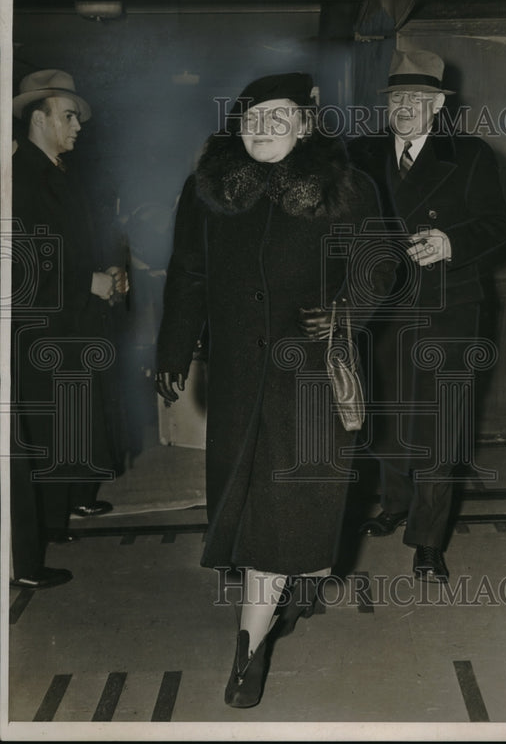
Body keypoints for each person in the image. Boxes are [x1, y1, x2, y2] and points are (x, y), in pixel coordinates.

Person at [155, 72, 394, 707]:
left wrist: (346, 310)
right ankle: (284, 598)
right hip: (239, 376)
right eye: (252, 118)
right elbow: (189, 274)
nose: (263, 129)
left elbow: (379, 264)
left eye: (279, 118)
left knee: (291, 504)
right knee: (262, 505)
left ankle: (251, 651)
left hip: (312, 372)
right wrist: (172, 349)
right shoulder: (209, 192)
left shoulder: (347, 188)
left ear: (306, 125)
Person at [348, 46, 506, 582]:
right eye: (398, 96)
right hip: (381, 307)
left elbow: (501, 225)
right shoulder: (359, 153)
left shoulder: (471, 154)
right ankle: (395, 504)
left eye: (418, 97)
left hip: (450, 306)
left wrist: (451, 241)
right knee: (387, 412)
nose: (406, 106)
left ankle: (428, 538)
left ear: (438, 105)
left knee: (442, 421)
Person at [10, 69, 129, 589]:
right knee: (36, 438)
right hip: (40, 330)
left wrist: (111, 273)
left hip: (71, 324)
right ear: (38, 118)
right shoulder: (20, 179)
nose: (77, 126)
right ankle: (26, 558)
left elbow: (80, 241)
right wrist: (89, 282)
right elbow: (24, 265)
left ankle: (54, 525)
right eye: (68, 115)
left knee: (64, 425)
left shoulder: (58, 171)